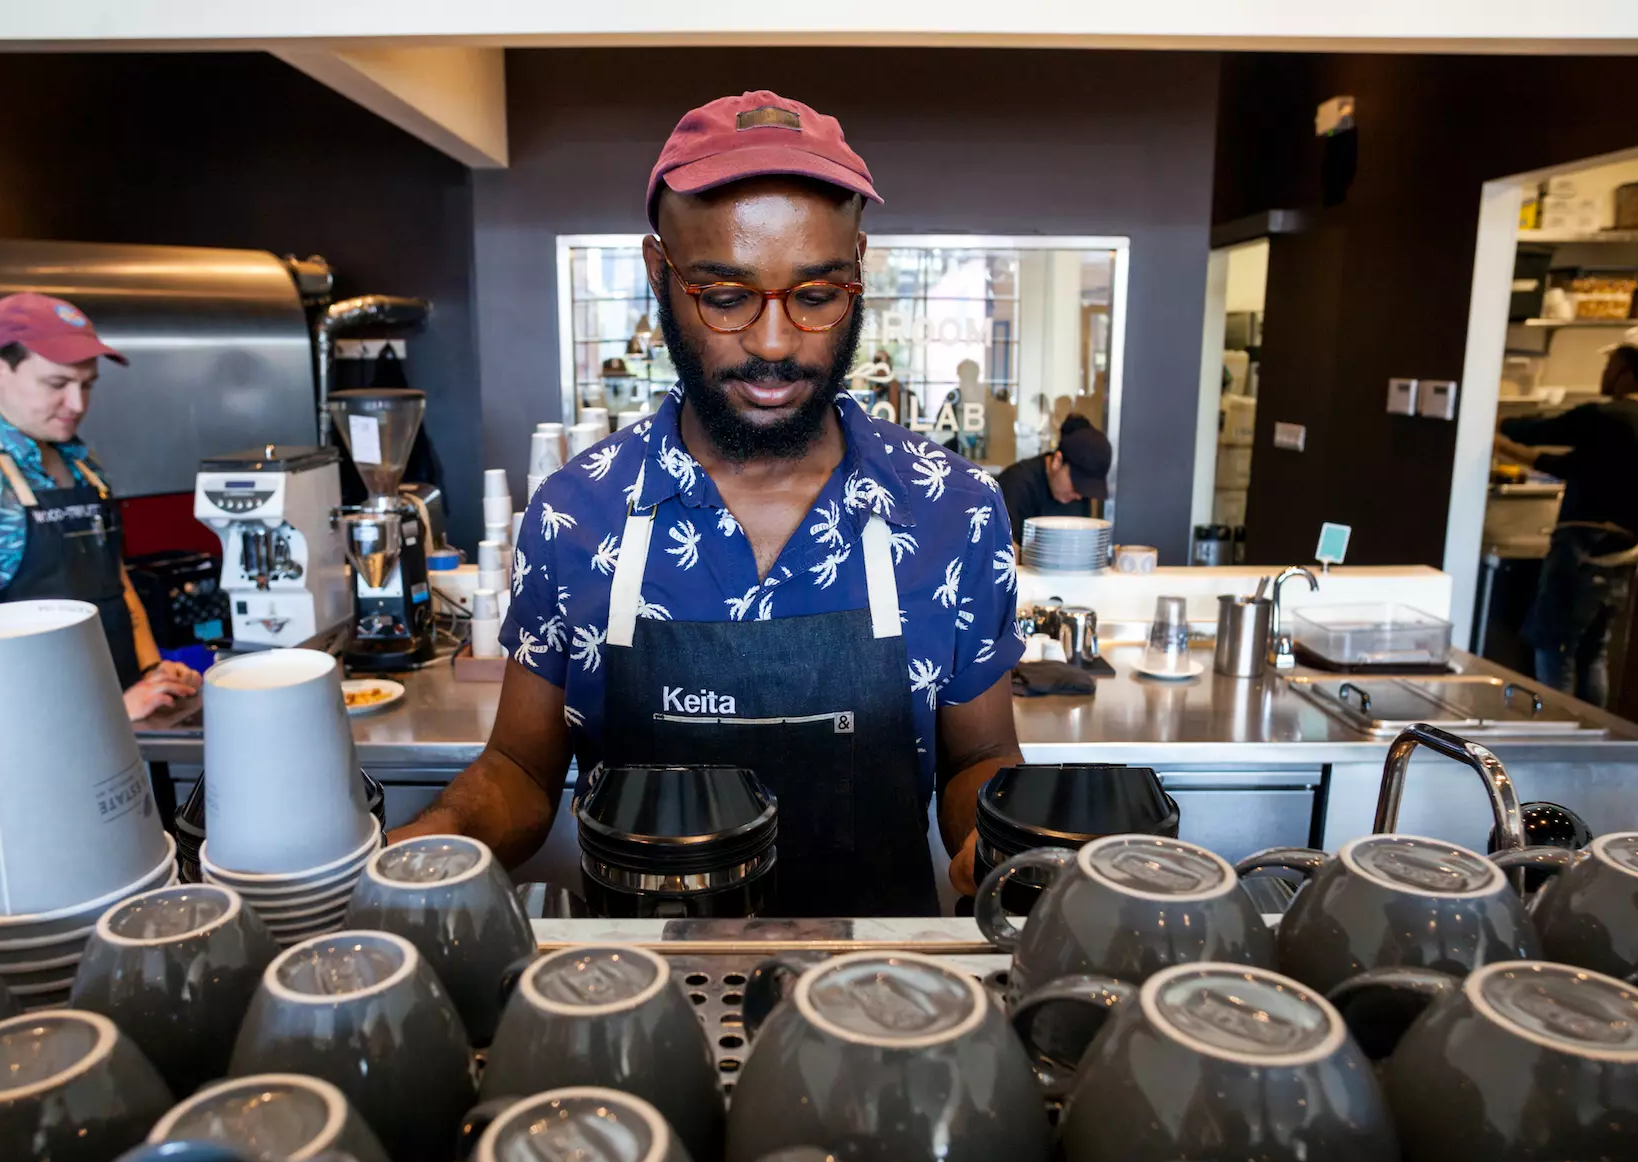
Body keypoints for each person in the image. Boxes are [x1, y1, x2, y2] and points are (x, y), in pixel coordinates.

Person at [394, 90, 1025, 912]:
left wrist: (1000, 838)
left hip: (876, 1005)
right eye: (725, 297)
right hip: (634, 1006)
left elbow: (980, 756)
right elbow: (519, 770)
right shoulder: (574, 515)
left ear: (858, 271)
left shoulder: (955, 512)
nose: (774, 342)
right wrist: (428, 849)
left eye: (817, 293)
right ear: (660, 272)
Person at [0, 292, 198, 719]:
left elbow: (115, 585)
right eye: (57, 384)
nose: (78, 405)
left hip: (123, 716)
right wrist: (107, 712)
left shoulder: (80, 462)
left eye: (86, 385)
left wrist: (152, 670)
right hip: (30, 739)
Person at [1493, 323, 1638, 707]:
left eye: (1610, 363)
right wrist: (1504, 448)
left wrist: (1497, 424)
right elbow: (1570, 465)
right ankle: (1590, 741)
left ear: (1624, 367)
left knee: (1554, 646)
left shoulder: (1606, 417)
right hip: (1623, 552)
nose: (1605, 372)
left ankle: (1558, 739)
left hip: (1582, 550)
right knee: (1593, 653)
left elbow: (1537, 430)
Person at [995, 413, 1111, 545]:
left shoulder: (1077, 496)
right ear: (1057, 461)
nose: (1079, 496)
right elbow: (1002, 551)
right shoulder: (1016, 483)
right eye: (1076, 484)